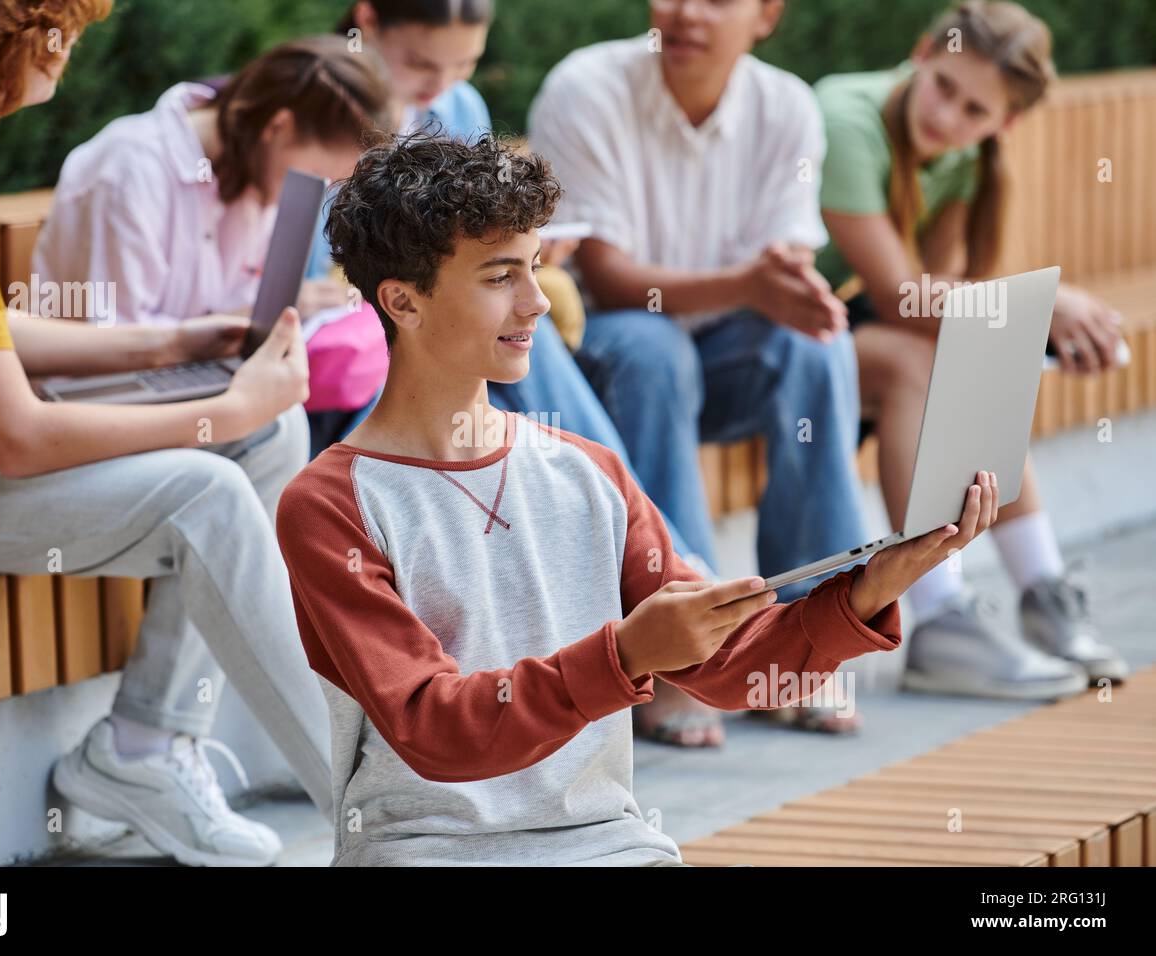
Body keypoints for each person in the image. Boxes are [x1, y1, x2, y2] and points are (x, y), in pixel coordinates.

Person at [276, 133, 999, 866]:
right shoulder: (332, 505)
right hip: (426, 851)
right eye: (500, 277)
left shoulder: (587, 472)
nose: (536, 303)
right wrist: (623, 655)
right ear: (403, 301)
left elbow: (732, 666)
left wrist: (868, 591)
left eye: (533, 269)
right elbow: (432, 727)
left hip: (610, 846)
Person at [0, 0, 332, 866]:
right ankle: (381, 810)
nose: (65, 52)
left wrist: (178, 340)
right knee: (211, 486)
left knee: (267, 440)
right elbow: (20, 439)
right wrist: (223, 409)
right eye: (52, 33)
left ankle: (143, 744)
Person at [528, 0, 867, 737]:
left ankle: (811, 645)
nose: (684, 12)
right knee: (655, 349)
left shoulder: (786, 106)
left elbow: (785, 268)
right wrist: (750, 283)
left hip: (730, 358)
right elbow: (609, 277)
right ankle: (689, 646)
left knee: (819, 342)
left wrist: (785, 287)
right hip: (613, 358)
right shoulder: (586, 86)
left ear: (768, 15)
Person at [316, 0, 718, 599]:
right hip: (365, 336)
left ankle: (669, 580)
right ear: (366, 23)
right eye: (422, 63)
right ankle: (673, 573)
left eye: (464, 64)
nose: (440, 85)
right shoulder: (318, 109)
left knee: (534, 335)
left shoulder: (457, 105)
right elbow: (309, 268)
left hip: (447, 319)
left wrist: (512, 262)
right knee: (526, 338)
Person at [814, 0, 1128, 697]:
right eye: (945, 86)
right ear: (924, 52)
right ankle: (941, 619)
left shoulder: (960, 161)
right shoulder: (847, 118)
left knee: (970, 359)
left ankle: (1044, 593)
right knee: (918, 362)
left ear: (1003, 124)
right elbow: (903, 299)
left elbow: (930, 294)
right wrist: (1042, 310)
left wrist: (1025, 329)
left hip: (843, 328)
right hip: (776, 343)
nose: (947, 117)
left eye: (974, 112)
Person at [33, 36, 392, 329]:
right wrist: (261, 317)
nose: (318, 192)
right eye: (318, 175)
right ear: (278, 126)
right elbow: (111, 337)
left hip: (198, 390)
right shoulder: (129, 170)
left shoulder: (255, 169)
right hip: (96, 402)